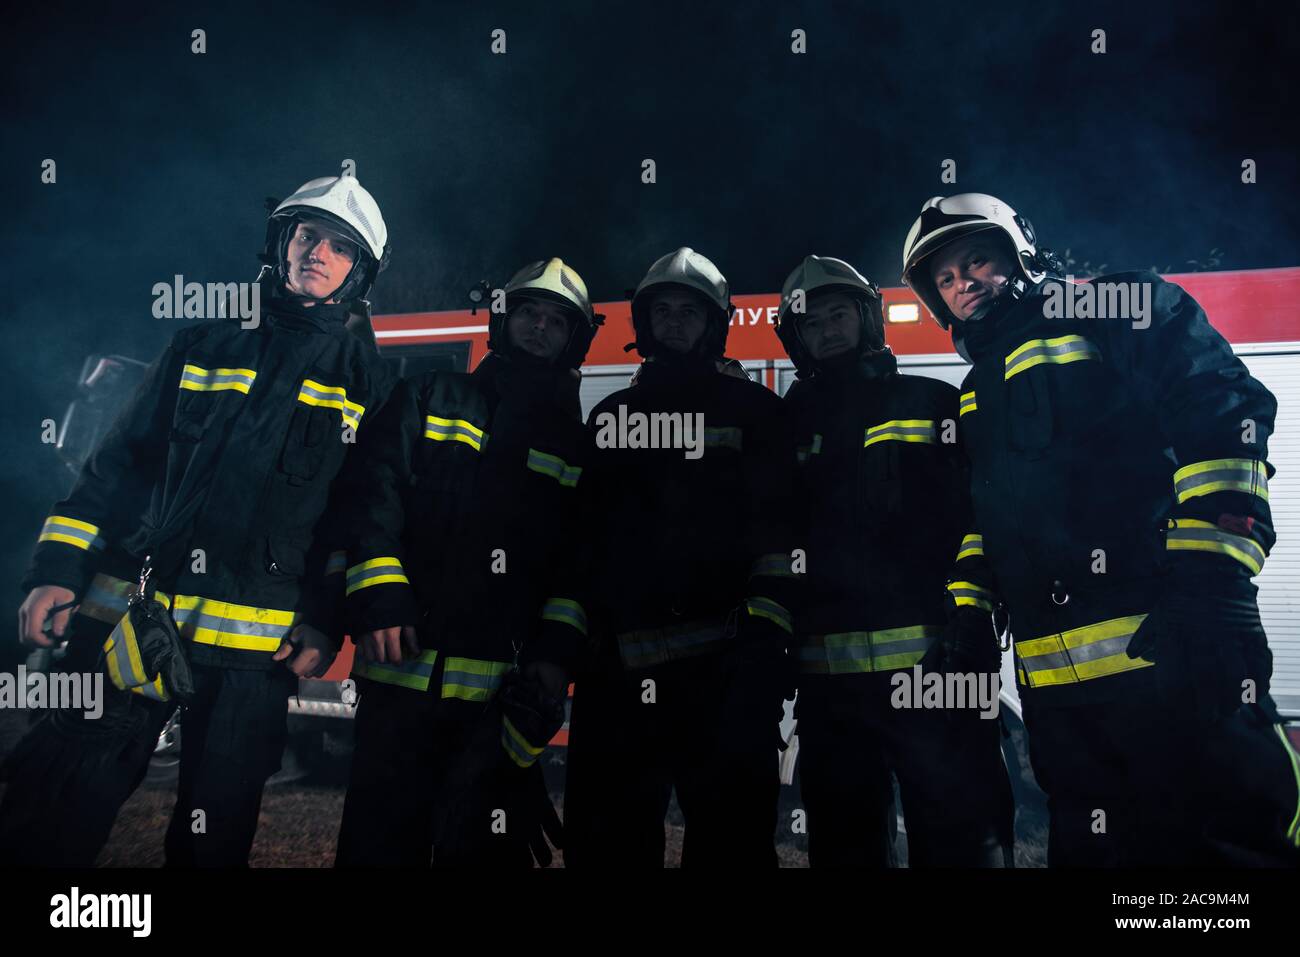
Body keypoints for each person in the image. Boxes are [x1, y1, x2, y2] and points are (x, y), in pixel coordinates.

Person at [1, 175, 393, 867]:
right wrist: (56, 571)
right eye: (307, 235)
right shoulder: (201, 344)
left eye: (339, 246)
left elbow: (358, 519)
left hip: (252, 655)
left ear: (357, 271)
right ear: (281, 242)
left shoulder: (368, 382)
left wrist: (326, 618)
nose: (317, 253)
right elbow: (115, 468)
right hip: (133, 620)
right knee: (54, 806)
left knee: (213, 835)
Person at [901, 192, 1300, 866]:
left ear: (1021, 253)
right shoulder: (977, 389)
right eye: (945, 278)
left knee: (1222, 851)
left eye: (978, 260)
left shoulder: (1110, 307)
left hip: (1174, 658)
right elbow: (983, 518)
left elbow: (1222, 415)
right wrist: (968, 614)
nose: (964, 282)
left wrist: (1216, 577)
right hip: (1061, 705)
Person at [333, 257, 601, 867]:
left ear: (573, 340)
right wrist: (381, 598)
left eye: (556, 321)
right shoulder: (427, 395)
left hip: (499, 702)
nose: (539, 327)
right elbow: (373, 500)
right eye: (529, 312)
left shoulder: (573, 444)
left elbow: (577, 563)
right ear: (503, 322)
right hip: (400, 682)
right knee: (376, 851)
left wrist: (555, 656)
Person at [775, 254, 1015, 866]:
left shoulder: (933, 402)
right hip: (829, 690)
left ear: (866, 319)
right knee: (845, 849)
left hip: (937, 671)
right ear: (795, 338)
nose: (827, 330)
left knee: (964, 843)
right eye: (812, 322)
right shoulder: (783, 428)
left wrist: (973, 614)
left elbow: (981, 517)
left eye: (838, 314)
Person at [564, 247, 798, 868]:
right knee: (608, 844)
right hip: (617, 676)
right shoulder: (612, 417)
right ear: (642, 326)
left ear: (714, 324)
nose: (672, 321)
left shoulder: (755, 413)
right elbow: (585, 538)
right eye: (660, 310)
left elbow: (781, 534)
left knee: (731, 846)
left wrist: (762, 648)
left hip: (723, 677)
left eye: (688, 311)